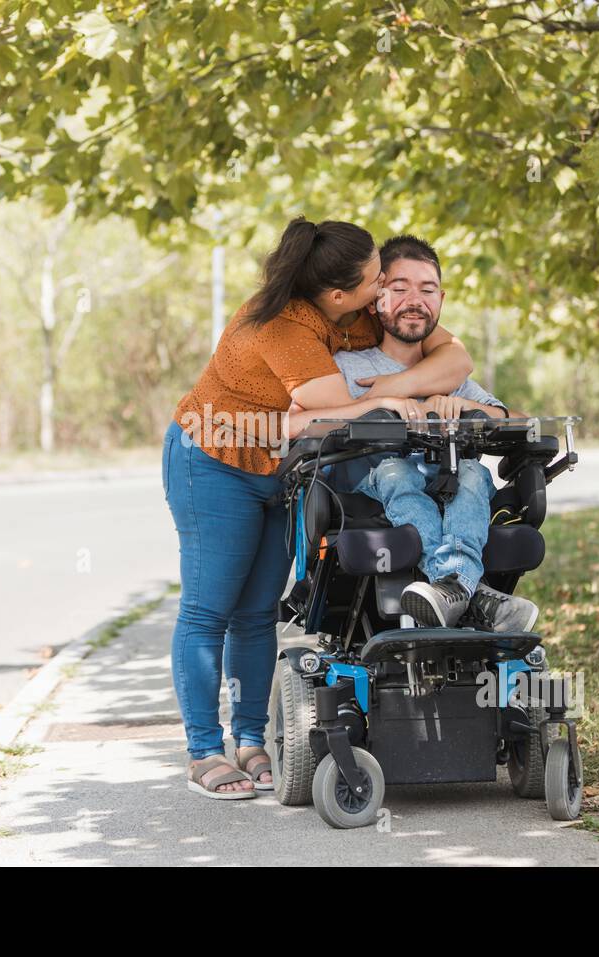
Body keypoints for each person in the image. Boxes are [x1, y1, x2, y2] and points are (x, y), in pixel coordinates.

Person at [164, 217, 474, 798]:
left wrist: (402, 391)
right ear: (340, 293)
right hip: (213, 460)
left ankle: (251, 740)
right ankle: (204, 749)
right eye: (378, 279)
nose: (386, 289)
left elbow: (455, 358)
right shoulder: (279, 327)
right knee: (210, 609)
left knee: (258, 614)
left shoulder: (346, 314)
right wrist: (389, 396)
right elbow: (337, 407)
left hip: (280, 464)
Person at [327, 234, 540, 633]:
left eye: (426, 289)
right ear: (376, 298)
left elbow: (520, 420)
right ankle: (471, 593)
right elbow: (315, 422)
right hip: (373, 491)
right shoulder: (347, 368)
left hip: (449, 487)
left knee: (475, 474)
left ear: (440, 300)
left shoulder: (449, 373)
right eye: (400, 287)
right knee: (396, 471)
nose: (414, 299)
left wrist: (464, 408)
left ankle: (451, 588)